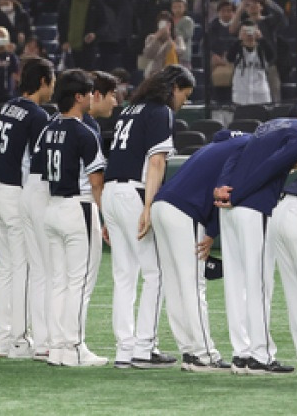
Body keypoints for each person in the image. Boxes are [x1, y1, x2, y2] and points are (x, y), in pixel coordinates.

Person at [213, 101, 297, 375]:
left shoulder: (271, 124)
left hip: (230, 208)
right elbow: (272, 167)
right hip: (254, 206)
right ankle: (260, 355)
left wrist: (223, 189)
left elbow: (235, 154)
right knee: (259, 282)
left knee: (236, 283)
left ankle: (242, 352)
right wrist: (239, 195)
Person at [100, 65, 194, 369]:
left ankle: (124, 349)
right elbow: (156, 162)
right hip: (136, 192)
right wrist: (149, 206)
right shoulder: (160, 111)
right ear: (174, 87)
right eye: (184, 94)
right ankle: (144, 348)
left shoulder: (129, 110)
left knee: (124, 275)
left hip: (112, 193)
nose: (183, 102)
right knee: (155, 273)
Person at [150, 129, 252, 372]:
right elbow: (225, 191)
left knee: (175, 285)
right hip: (186, 210)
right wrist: (211, 233)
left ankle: (189, 352)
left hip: (161, 205)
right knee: (193, 284)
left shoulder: (216, 145)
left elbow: (220, 134)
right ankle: (205, 354)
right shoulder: (247, 147)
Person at [37, 69, 110, 367]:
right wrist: (107, 218)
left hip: (52, 206)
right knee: (78, 282)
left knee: (58, 281)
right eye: (90, 92)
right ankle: (75, 347)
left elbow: (40, 170)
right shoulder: (84, 132)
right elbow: (96, 182)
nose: (93, 97)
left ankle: (57, 347)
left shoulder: (48, 129)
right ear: (79, 97)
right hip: (78, 208)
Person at [0, 58, 54, 359]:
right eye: (51, 80)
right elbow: (37, 162)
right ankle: (19, 340)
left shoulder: (9, 105)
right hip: (14, 192)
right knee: (23, 268)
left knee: (5, 268)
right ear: (42, 81)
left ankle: (1, 340)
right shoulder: (37, 114)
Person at [227, 21, 273, 106]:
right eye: (246, 31)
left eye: (252, 30)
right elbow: (229, 58)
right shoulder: (237, 48)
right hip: (240, 95)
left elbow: (271, 56)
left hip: (261, 94)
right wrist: (239, 39)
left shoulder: (262, 48)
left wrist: (261, 39)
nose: (249, 34)